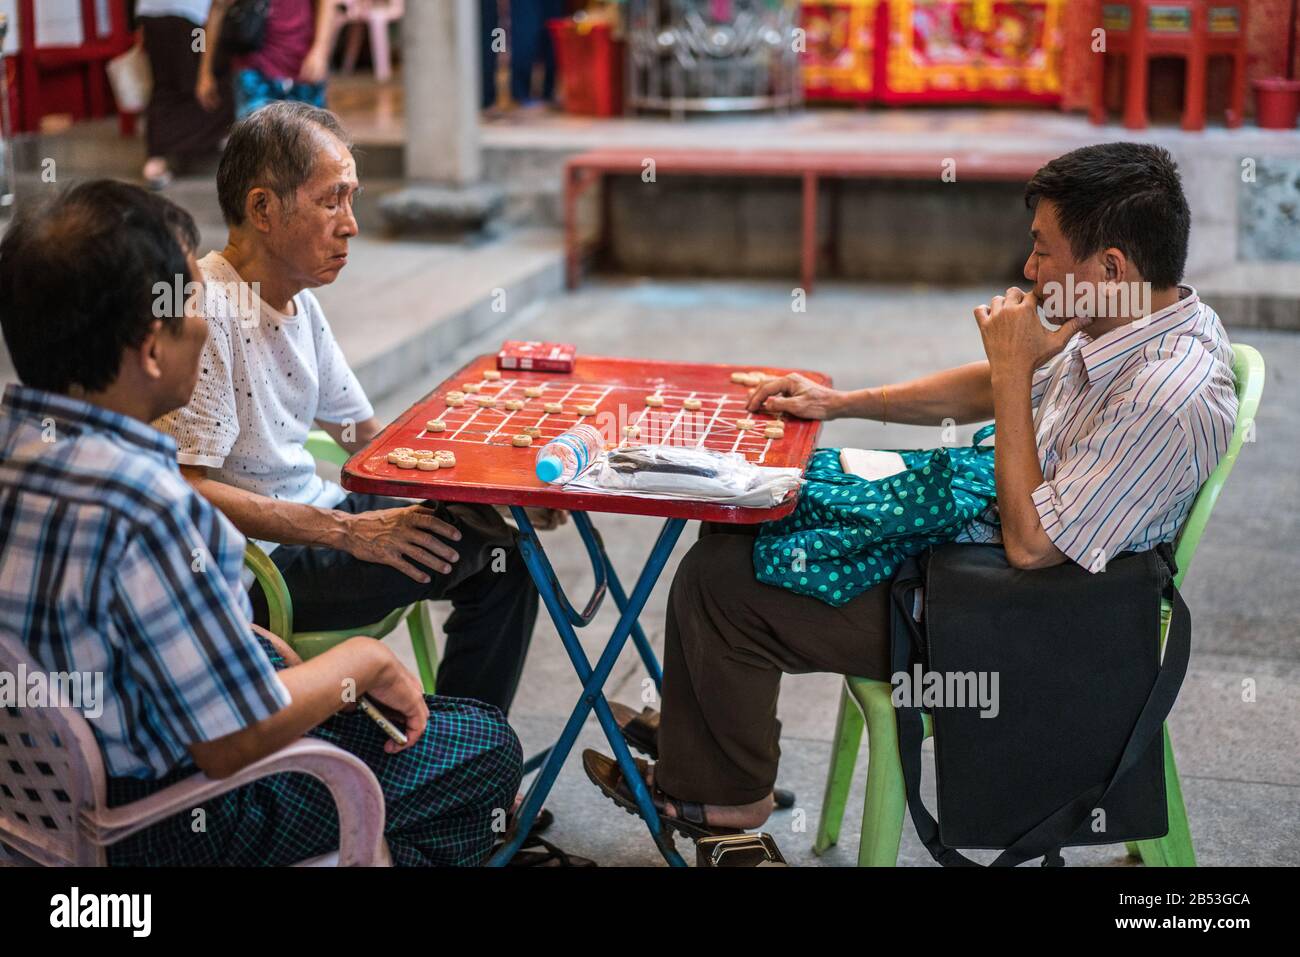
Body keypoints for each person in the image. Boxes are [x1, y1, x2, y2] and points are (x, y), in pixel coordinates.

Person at [585, 142, 1240, 837]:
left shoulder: (1169, 392)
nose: (1029, 270)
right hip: (980, 561)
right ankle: (709, 741)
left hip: (1017, 620)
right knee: (748, 510)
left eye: (1044, 251)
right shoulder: (1125, 316)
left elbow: (1031, 545)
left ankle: (726, 794)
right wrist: (839, 402)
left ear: (1111, 266)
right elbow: (995, 386)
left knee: (721, 584)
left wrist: (1014, 371)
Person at [0, 180, 521, 865]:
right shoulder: (152, 505)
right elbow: (229, 740)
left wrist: (247, 642)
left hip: (36, 808)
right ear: (152, 348)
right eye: (190, 303)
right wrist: (359, 662)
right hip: (168, 819)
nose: (204, 320)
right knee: (486, 749)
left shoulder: (17, 454)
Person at [152, 101, 547, 716]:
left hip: (321, 519)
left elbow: (366, 437)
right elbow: (186, 489)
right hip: (259, 569)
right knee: (501, 556)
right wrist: (350, 532)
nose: (351, 225)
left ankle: (464, 754)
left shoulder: (299, 301)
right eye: (331, 201)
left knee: (506, 544)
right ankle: (460, 763)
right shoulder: (211, 310)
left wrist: (495, 485)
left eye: (352, 200)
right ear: (262, 209)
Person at [136, 0, 231, 188]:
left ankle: (157, 157)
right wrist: (205, 72)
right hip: (193, 22)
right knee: (201, 80)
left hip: (152, 15)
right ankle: (169, 154)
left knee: (165, 84)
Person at [197, 0, 334, 120]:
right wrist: (204, 72)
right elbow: (217, 8)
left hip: (302, 65)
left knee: (309, 143)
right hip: (254, 69)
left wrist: (320, 50)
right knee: (256, 145)